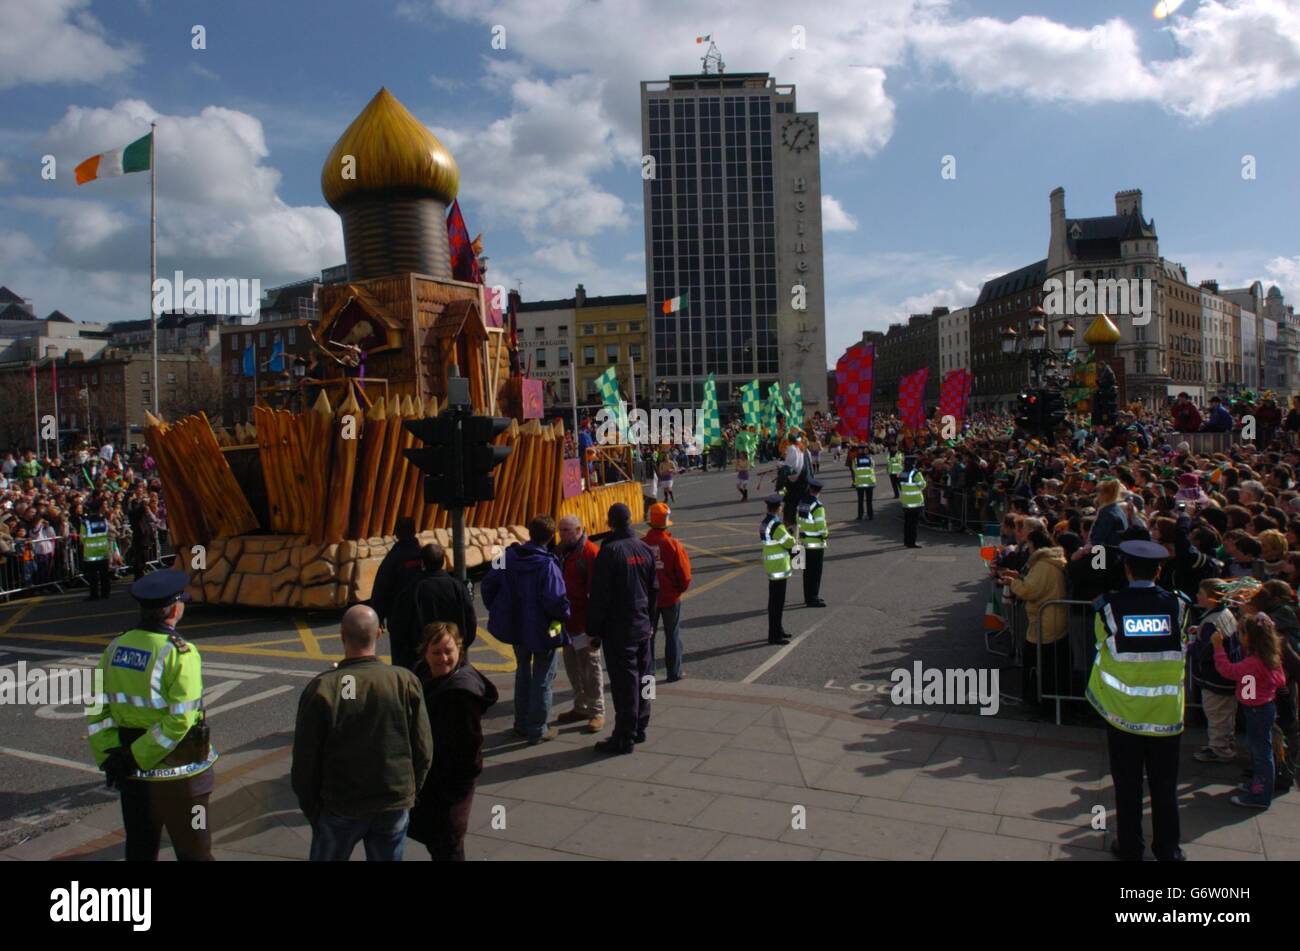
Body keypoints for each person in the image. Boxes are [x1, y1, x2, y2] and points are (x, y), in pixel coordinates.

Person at [85, 570, 217, 861]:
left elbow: (96, 707)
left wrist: (111, 755)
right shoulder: (180, 653)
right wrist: (138, 754)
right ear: (174, 609)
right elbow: (181, 718)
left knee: (140, 849)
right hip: (182, 776)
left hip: (131, 776)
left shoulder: (113, 648)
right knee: (195, 851)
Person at [291, 605, 433, 861]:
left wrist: (314, 810)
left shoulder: (323, 689)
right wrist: (409, 791)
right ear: (379, 634)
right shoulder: (405, 681)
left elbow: (305, 762)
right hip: (393, 800)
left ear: (342, 636)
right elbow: (423, 748)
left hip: (340, 805)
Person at [1087, 540, 1188, 862]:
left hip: (1123, 714)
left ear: (1126, 569)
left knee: (1127, 787)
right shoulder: (1179, 606)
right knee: (1165, 787)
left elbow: (1101, 643)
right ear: (1159, 570)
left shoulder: (1107, 607)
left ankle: (1130, 848)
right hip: (1166, 715)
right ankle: (1168, 850)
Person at [407, 621, 498, 860]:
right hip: (431, 779)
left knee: (448, 845)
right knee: (438, 842)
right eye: (436, 652)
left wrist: (454, 793)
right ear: (424, 652)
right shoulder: (422, 672)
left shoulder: (461, 693)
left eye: (449, 651)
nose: (443, 658)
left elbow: (470, 751)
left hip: (449, 788)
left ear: (460, 650)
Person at [481, 516, 570, 745]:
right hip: (542, 628)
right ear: (551, 537)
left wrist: (499, 609)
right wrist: (563, 616)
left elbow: (489, 584)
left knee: (522, 670)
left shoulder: (505, 556)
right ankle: (537, 728)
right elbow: (556, 600)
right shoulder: (548, 564)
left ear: (528, 533)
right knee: (544, 676)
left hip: (516, 625)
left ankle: (520, 723)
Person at [587, 503, 658, 755]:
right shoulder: (645, 549)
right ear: (630, 520)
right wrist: (651, 624)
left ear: (610, 522)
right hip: (643, 626)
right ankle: (641, 726)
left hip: (620, 628)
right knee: (646, 677)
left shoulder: (610, 551)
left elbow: (599, 596)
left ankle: (624, 736)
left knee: (625, 683)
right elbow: (654, 590)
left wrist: (593, 630)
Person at [1213, 612, 1288, 809]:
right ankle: (1257, 785)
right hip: (1262, 707)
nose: (1238, 637)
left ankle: (1260, 796)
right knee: (1258, 750)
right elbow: (1279, 680)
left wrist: (1218, 647)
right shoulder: (1268, 657)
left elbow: (1227, 670)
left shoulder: (1253, 663)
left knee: (1261, 752)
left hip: (1256, 711)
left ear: (1250, 637)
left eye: (1241, 633)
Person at [999, 528, 1067, 706]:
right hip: (1052, 619)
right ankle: (1041, 698)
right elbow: (1034, 584)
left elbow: (1030, 590)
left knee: (1036, 663)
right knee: (1048, 664)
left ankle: (1035, 700)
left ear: (1035, 545)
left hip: (1045, 623)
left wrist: (1013, 583)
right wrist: (1020, 578)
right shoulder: (1051, 561)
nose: (1027, 548)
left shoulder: (1043, 565)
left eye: (1028, 544)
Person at [386, 542, 477, 671]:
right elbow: (470, 622)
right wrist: (458, 647)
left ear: (422, 563)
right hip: (453, 660)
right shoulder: (457, 587)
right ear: (443, 562)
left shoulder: (412, 590)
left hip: (420, 662)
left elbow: (398, 627)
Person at [555, 514, 605, 732]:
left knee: (591, 667)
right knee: (572, 666)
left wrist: (596, 627)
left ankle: (597, 711)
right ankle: (580, 705)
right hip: (566, 621)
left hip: (585, 621)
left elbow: (598, 592)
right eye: (561, 530)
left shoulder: (590, 553)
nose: (563, 534)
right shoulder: (559, 551)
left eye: (567, 530)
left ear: (579, 530)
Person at [1189, 579, 1240, 764]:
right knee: (1226, 713)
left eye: (1200, 594)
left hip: (1214, 676)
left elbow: (1204, 652)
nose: (1197, 596)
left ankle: (1220, 749)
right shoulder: (1225, 613)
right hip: (1226, 675)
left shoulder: (1211, 621)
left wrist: (1191, 645)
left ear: (1211, 598)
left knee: (1216, 714)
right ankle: (1225, 743)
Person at [643, 502, 692, 681]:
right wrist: (678, 590)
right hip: (670, 597)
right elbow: (684, 575)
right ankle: (674, 672)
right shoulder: (672, 544)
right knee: (672, 634)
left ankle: (648, 673)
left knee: (649, 637)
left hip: (649, 599)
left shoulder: (642, 544)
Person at [369, 516, 424, 627]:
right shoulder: (424, 555)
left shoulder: (393, 558)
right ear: (414, 531)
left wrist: (378, 615)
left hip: (399, 615)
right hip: (422, 614)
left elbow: (382, 587)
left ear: (397, 533)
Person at [761, 493, 798, 645]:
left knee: (775, 602)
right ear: (778, 508)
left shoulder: (766, 522)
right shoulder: (776, 525)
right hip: (778, 567)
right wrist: (792, 534)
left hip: (772, 565)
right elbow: (789, 543)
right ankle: (774, 635)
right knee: (777, 603)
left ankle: (778, 629)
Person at [798, 479, 828, 607]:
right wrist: (826, 534)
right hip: (815, 544)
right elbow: (821, 526)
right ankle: (813, 598)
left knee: (807, 572)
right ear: (819, 491)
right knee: (815, 573)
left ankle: (808, 596)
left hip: (803, 542)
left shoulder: (803, 502)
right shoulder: (818, 506)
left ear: (810, 489)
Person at [80, 498, 112, 600]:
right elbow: (107, 534)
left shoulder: (85, 523)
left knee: (93, 576)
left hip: (91, 554)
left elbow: (82, 538)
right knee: (104, 575)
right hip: (103, 551)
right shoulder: (104, 520)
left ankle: (94, 595)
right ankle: (105, 593)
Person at [900, 454, 926, 549]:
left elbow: (900, 484)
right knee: (914, 524)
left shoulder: (903, 472)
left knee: (907, 523)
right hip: (916, 502)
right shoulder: (916, 473)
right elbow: (922, 485)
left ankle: (906, 541)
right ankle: (912, 543)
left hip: (906, 502)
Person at [850, 442, 876, 520]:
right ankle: (870, 515)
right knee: (869, 501)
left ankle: (860, 515)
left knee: (860, 501)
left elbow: (854, 469)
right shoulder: (870, 459)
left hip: (860, 483)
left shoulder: (856, 460)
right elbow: (872, 467)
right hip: (869, 483)